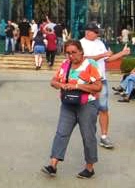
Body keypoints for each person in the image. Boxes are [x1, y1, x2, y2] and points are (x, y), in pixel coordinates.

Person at [41, 40, 103, 179]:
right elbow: (53, 81)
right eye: (68, 53)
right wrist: (61, 85)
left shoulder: (90, 65)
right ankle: (53, 165)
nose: (71, 56)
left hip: (87, 104)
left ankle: (89, 167)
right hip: (68, 104)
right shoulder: (65, 65)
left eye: (74, 52)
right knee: (61, 133)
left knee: (88, 136)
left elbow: (98, 86)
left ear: (81, 51)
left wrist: (77, 86)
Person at [79, 22, 130, 150]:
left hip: (101, 80)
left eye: (98, 33)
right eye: (96, 32)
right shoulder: (80, 43)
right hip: (86, 81)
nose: (98, 34)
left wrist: (122, 54)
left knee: (103, 108)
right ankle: (87, 134)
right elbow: (83, 59)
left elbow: (107, 59)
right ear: (88, 32)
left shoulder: (100, 43)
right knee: (86, 109)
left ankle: (104, 136)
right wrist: (103, 55)